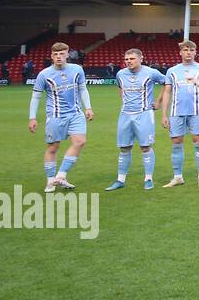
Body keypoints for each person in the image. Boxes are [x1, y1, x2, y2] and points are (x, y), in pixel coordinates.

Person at [29, 42, 93, 192]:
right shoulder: (44, 74)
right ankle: (50, 181)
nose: (59, 57)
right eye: (56, 54)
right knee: (53, 147)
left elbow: (83, 89)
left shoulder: (77, 69)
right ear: (51, 56)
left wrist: (88, 107)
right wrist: (32, 117)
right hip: (55, 116)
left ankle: (61, 175)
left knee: (80, 141)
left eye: (62, 54)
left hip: (76, 114)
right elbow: (36, 97)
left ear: (67, 55)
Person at [159, 39, 199, 187]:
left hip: (197, 111)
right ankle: (178, 177)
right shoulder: (172, 70)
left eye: (191, 50)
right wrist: (164, 115)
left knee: (198, 142)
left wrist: (198, 84)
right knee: (176, 143)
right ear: (180, 52)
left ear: (195, 52)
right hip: (176, 112)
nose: (188, 52)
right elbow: (167, 92)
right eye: (185, 50)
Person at [108, 48, 165, 190]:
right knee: (124, 147)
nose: (128, 61)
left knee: (145, 147)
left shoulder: (151, 72)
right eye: (126, 59)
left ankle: (148, 179)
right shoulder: (120, 74)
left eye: (132, 59)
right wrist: (124, 101)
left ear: (141, 58)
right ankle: (120, 180)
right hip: (125, 114)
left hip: (144, 114)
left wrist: (158, 102)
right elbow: (120, 88)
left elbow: (167, 84)